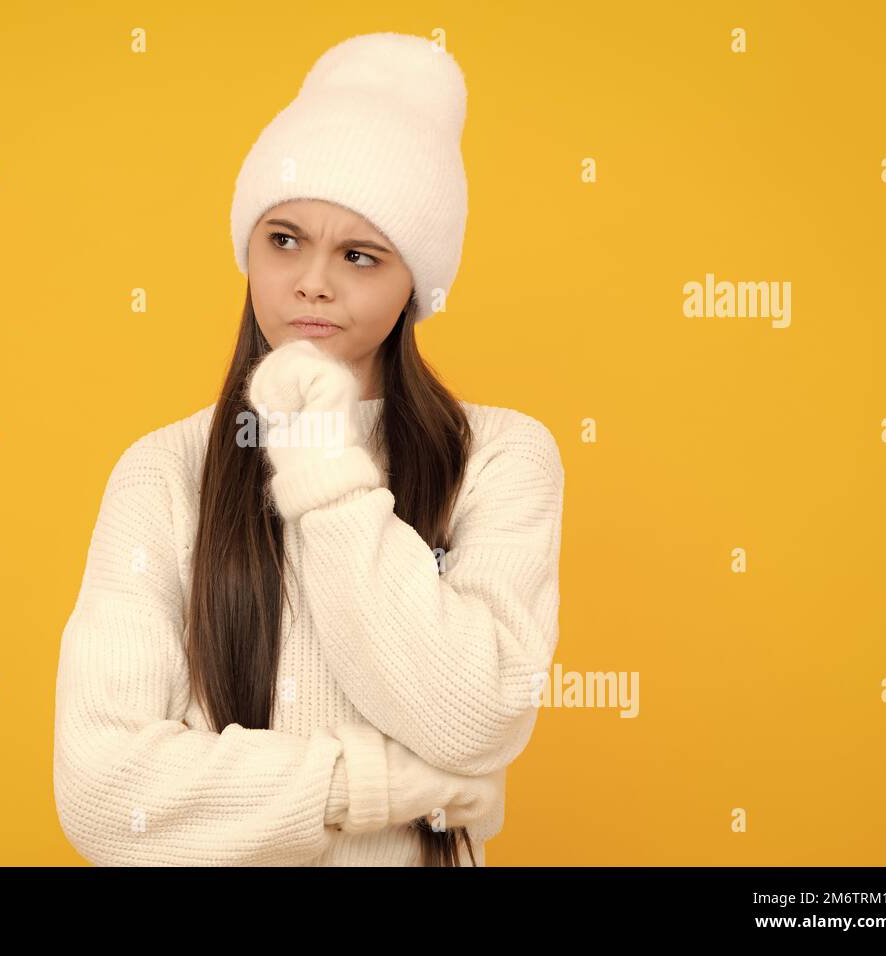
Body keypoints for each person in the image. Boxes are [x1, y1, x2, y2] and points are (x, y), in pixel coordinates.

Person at [53, 32, 564, 866]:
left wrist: (321, 463)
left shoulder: (502, 458)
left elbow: (474, 714)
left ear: (414, 285)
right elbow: (106, 791)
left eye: (360, 255)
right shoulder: (164, 472)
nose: (312, 282)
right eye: (283, 240)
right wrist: (389, 789)